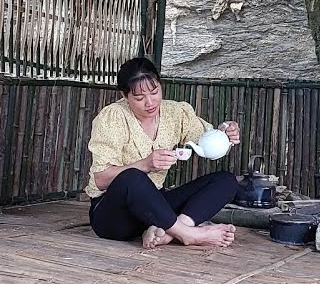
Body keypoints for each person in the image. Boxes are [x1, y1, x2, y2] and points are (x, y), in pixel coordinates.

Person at [86, 57, 241, 249]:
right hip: (114, 217)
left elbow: (206, 139)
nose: (150, 102)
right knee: (132, 178)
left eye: (154, 92)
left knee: (226, 181)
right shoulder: (113, 117)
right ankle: (188, 235)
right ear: (125, 96)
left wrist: (225, 132)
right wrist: (145, 164)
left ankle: (169, 232)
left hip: (155, 210)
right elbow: (101, 179)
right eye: (139, 98)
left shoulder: (174, 113)